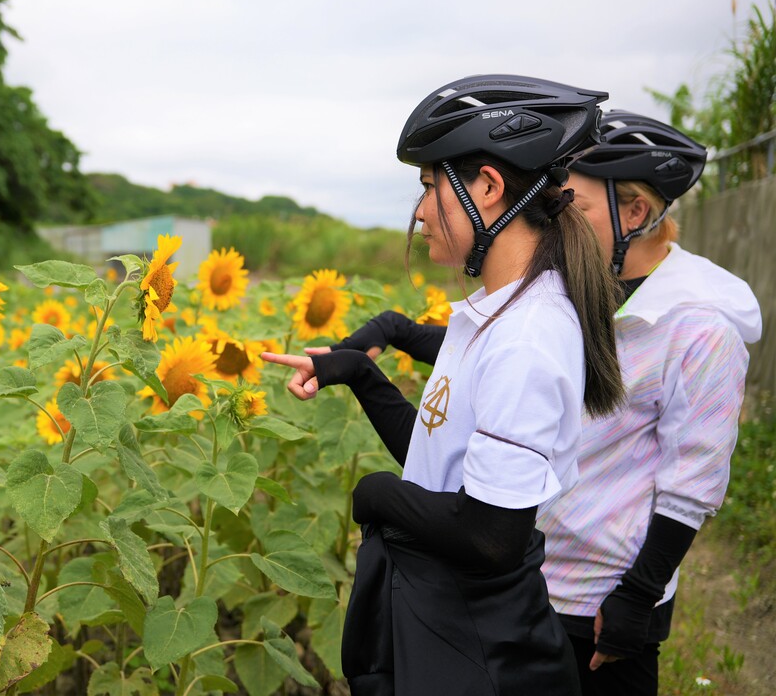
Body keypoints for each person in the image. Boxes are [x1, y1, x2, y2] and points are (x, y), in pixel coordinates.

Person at [328, 111, 763, 696]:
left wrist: (638, 593)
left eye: (574, 207)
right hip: (528, 573)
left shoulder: (700, 327)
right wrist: (396, 338)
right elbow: (492, 376)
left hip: (599, 592)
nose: (559, 219)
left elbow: (693, 477)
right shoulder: (584, 296)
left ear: (634, 213)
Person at [263, 74, 626, 696]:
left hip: (478, 644)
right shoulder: (496, 312)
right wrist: (358, 372)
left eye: (430, 187)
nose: (421, 211)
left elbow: (490, 535)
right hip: (444, 620)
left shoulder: (526, 337)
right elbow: (440, 462)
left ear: (487, 187)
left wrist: (376, 495)